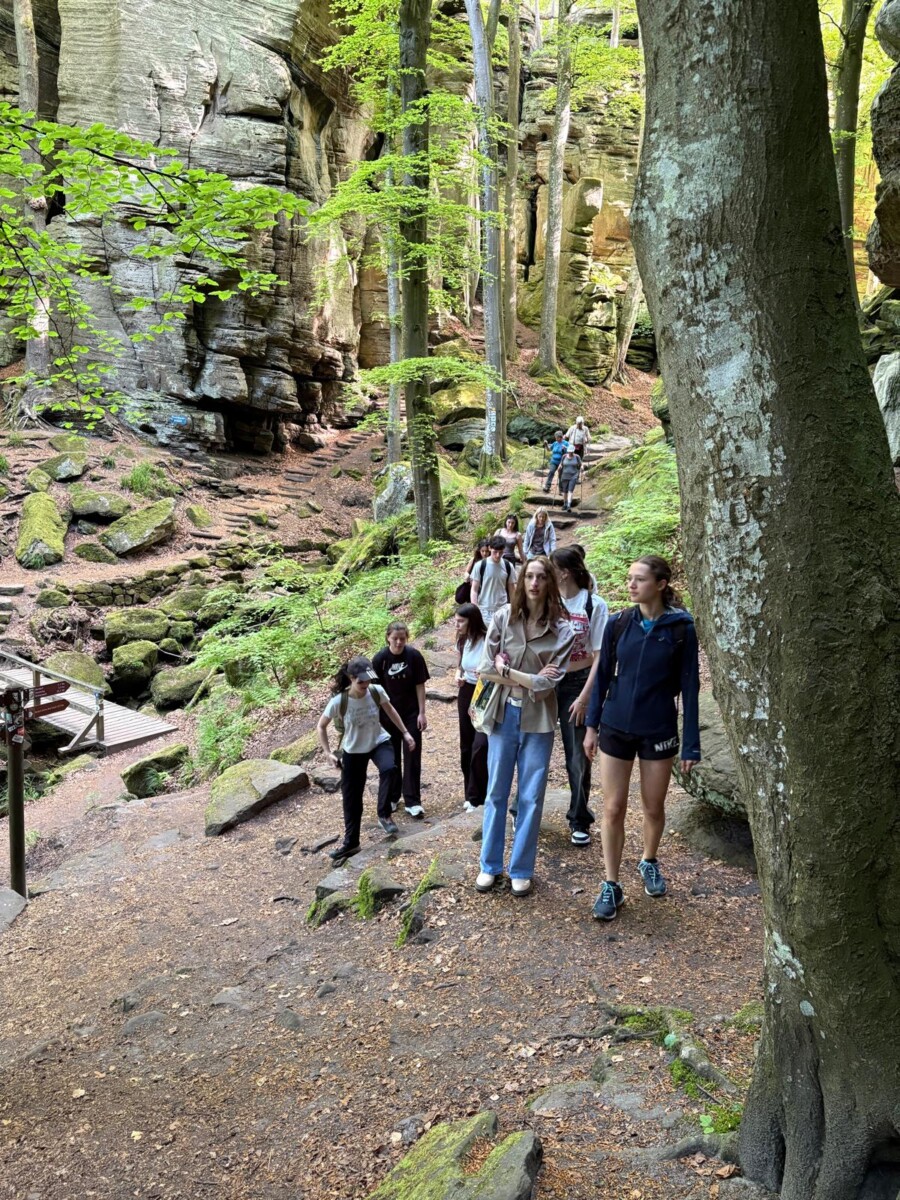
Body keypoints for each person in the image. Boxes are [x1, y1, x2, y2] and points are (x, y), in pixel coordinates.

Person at [583, 556, 701, 920]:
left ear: (661, 584)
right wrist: (591, 726)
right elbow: (602, 676)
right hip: (616, 726)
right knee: (613, 807)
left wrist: (691, 742)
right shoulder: (619, 623)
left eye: (639, 579)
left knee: (653, 806)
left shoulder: (681, 628)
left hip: (658, 729)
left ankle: (649, 860)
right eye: (630, 578)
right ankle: (611, 884)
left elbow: (690, 686)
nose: (631, 585)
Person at [475, 557, 574, 897]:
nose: (534, 583)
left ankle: (521, 869)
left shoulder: (562, 629)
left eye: (540, 577)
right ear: (521, 581)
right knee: (496, 792)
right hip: (503, 714)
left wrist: (508, 671)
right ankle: (489, 865)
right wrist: (515, 672)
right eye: (528, 576)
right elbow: (484, 666)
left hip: (540, 720)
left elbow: (546, 685)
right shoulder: (504, 617)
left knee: (531, 796)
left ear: (549, 583)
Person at [317, 656, 418, 860]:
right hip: (353, 750)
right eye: (361, 681)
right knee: (352, 799)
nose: (365, 684)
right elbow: (321, 726)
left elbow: (391, 711)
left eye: (368, 680)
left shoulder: (376, 691)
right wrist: (328, 753)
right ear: (351, 679)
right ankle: (351, 843)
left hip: (378, 741)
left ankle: (384, 814)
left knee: (390, 768)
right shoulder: (339, 701)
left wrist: (406, 733)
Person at [550, 548, 609, 846]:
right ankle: (521, 808)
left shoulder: (593, 604)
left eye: (552, 567)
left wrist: (586, 695)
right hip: (548, 682)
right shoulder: (547, 601)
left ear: (565, 572)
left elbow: (601, 656)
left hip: (579, 682)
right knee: (533, 747)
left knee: (577, 754)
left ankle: (579, 818)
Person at [372, 622, 430, 819]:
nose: (398, 642)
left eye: (402, 639)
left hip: (411, 713)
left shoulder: (414, 656)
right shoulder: (380, 659)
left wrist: (422, 712)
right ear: (388, 637)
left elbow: (420, 685)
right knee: (392, 756)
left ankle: (413, 800)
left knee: (413, 755)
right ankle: (393, 796)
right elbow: (372, 691)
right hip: (388, 715)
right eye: (395, 638)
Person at [454, 603, 489, 811]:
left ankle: (479, 794)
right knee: (466, 743)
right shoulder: (462, 640)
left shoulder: (487, 640)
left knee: (480, 743)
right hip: (466, 690)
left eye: (460, 621)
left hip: (484, 692)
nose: (456, 625)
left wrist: (485, 673)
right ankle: (470, 793)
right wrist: (458, 675)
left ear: (472, 621)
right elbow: (459, 666)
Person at [470, 535, 516, 625]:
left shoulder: (508, 566)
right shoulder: (480, 565)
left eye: (501, 552)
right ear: (490, 548)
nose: (498, 555)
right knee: (486, 637)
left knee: (502, 636)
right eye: (495, 552)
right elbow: (474, 590)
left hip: (502, 608)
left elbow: (512, 589)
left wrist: (514, 608)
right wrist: (475, 608)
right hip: (484, 609)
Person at [557, 444, 583, 511]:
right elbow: (561, 464)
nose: (570, 453)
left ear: (573, 451)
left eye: (571, 452)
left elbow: (581, 464)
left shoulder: (577, 457)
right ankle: (565, 504)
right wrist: (559, 467)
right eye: (569, 451)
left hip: (573, 476)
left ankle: (569, 505)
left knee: (570, 491)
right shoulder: (564, 456)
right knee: (565, 491)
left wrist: (582, 467)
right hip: (564, 476)